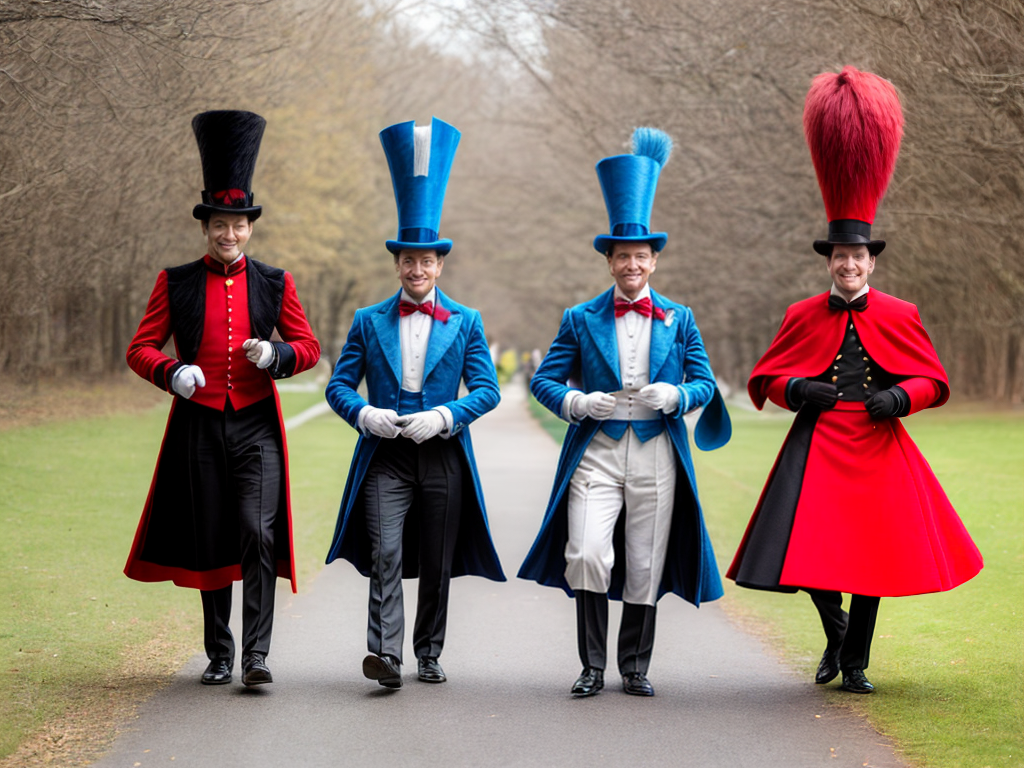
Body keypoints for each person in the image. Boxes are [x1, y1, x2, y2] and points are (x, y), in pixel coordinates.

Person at [726, 67, 983, 694]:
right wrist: (797, 391)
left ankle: (856, 663)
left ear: (871, 261)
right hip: (817, 443)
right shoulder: (801, 313)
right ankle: (837, 634)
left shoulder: (900, 313)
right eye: (840, 257)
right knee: (809, 554)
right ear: (830, 262)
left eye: (858, 257)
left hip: (876, 444)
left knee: (872, 558)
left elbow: (932, 380)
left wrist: (899, 396)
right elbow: (766, 376)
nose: (849, 265)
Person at [520, 128, 731, 697]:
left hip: (658, 450)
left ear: (653, 261)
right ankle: (591, 666)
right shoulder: (580, 318)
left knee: (644, 561)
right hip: (598, 450)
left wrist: (678, 397)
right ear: (609, 262)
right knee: (587, 552)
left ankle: (634, 667)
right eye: (622, 256)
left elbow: (704, 382)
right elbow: (544, 380)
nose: (631, 264)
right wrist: (576, 401)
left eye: (641, 255)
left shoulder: (681, 318)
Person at [125, 111, 321, 687]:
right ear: (206, 226)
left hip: (256, 426)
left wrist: (276, 355)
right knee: (210, 537)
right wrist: (172, 372)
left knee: (258, 533)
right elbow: (139, 348)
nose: (228, 234)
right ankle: (219, 652)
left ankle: (257, 655)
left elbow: (309, 348)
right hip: (199, 428)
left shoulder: (276, 282)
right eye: (219, 223)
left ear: (250, 228)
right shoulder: (175, 281)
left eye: (237, 224)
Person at [325, 117, 504, 689]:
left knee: (436, 561)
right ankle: (386, 656)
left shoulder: (467, 321)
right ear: (397, 263)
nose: (417, 269)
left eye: (427, 261)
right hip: (385, 457)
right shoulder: (367, 320)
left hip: (444, 456)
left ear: (440, 264)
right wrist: (364, 414)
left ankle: (428, 652)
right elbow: (338, 386)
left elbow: (488, 390)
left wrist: (446, 415)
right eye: (408, 260)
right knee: (385, 554)